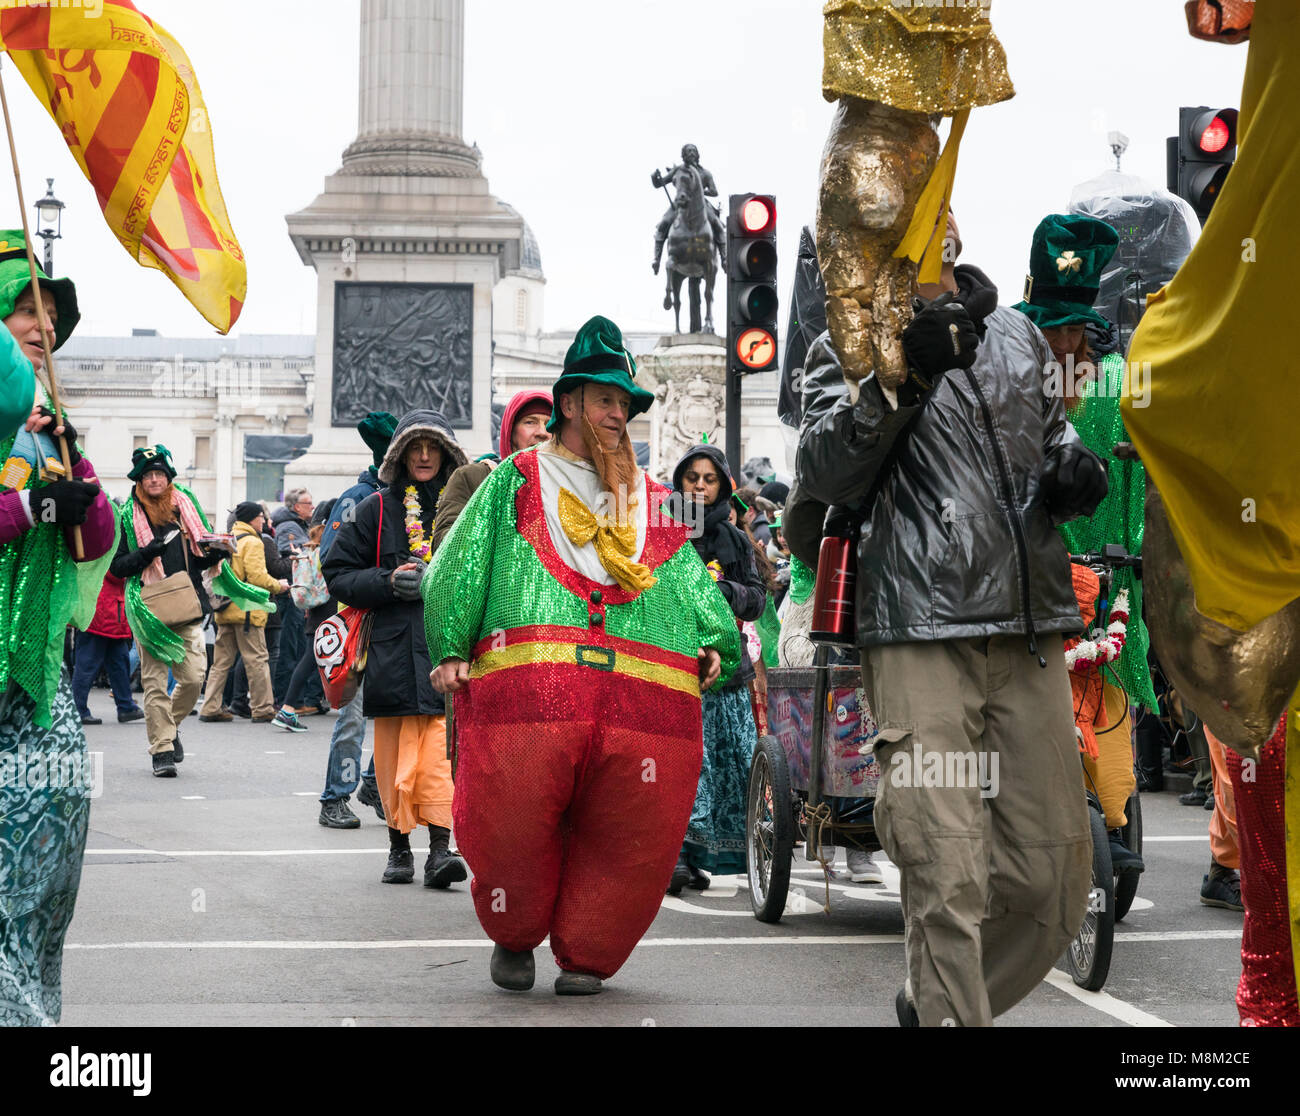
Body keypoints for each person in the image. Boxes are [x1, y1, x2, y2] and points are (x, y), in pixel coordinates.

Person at [797, 211, 1103, 1027]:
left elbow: (1052, 433)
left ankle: (931, 1001)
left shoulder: (1017, 335)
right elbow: (822, 465)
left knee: (1054, 882)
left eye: (941, 203)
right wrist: (900, 379)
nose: (936, 219)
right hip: (915, 627)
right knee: (947, 868)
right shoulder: (850, 335)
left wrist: (1073, 466)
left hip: (1027, 628)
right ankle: (948, 1012)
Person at [423, 315, 740, 995]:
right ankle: (514, 930)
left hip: (641, 703)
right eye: (605, 400)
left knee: (632, 829)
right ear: (569, 404)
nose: (617, 415)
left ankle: (590, 947)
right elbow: (462, 561)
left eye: (625, 404)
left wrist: (716, 640)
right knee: (508, 818)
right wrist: (451, 644)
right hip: (531, 695)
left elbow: (687, 575)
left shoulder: (655, 500)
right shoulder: (517, 479)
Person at [1011, 213, 1149, 875]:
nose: (1068, 347)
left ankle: (1109, 820)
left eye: (1075, 333)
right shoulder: (998, 382)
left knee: (1106, 681)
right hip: (1007, 587)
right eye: (1055, 330)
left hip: (1098, 581)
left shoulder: (1112, 388)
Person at [1, 245, 117, 1025]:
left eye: (52, 316)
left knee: (46, 872)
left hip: (37, 684)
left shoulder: (55, 431)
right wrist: (38, 508)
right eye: (26, 309)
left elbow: (97, 540)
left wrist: (82, 494)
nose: (44, 326)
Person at [323, 410, 469, 887]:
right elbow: (338, 573)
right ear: (401, 454)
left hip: (448, 649)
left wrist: (442, 584)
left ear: (446, 454)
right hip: (390, 652)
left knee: (439, 758)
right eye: (415, 447)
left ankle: (440, 852)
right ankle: (399, 849)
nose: (424, 455)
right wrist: (389, 581)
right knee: (391, 761)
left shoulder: (468, 509)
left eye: (433, 447)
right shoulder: (377, 509)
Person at [112, 446, 252, 776]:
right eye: (148, 475)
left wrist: (216, 554)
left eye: (159, 473)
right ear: (140, 481)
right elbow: (118, 567)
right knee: (155, 681)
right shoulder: (127, 518)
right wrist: (146, 553)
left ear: (169, 477)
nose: (155, 479)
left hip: (185, 606)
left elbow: (196, 559)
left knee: (192, 678)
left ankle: (169, 727)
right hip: (148, 609)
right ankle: (161, 749)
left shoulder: (183, 509)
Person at [667, 443, 766, 893]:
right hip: (672, 667)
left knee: (727, 766)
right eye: (693, 478)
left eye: (710, 479)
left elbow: (757, 597)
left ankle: (706, 855)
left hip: (725, 675)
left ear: (722, 485)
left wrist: (724, 591)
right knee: (682, 764)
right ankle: (677, 855)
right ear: (680, 482)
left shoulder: (735, 539)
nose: (701, 487)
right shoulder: (660, 532)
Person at [315, 412, 395, 829]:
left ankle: (373, 785)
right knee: (353, 719)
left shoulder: (409, 499)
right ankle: (335, 798)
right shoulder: (356, 498)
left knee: (399, 717)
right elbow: (332, 562)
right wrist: (379, 580)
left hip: (400, 626)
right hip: (361, 625)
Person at [198, 502, 289, 726]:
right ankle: (263, 708)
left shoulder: (227, 540)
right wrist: (278, 585)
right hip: (247, 609)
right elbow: (257, 577)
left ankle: (210, 706)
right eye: (260, 517)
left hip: (224, 608)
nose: (263, 521)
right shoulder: (252, 542)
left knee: (220, 663)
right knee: (257, 659)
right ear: (251, 519)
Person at [431, 388, 552, 552]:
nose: (542, 433)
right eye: (530, 422)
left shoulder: (567, 483)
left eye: (549, 424)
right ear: (510, 431)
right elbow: (444, 544)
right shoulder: (472, 478)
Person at [72, 572, 144, 726]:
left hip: (108, 611)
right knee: (88, 666)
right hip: (104, 610)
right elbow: (116, 571)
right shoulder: (109, 550)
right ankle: (78, 709)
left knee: (118, 665)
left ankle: (126, 707)